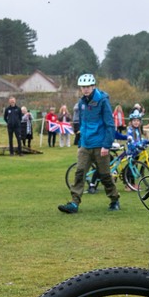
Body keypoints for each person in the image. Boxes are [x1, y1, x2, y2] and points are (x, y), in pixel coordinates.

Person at [59, 73, 121, 213]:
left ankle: (114, 199)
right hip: (85, 145)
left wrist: (106, 145)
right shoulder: (81, 103)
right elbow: (82, 123)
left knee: (105, 175)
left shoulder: (103, 101)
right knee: (80, 172)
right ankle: (74, 203)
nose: (85, 89)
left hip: (100, 145)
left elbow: (110, 125)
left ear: (93, 86)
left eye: (88, 87)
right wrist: (81, 142)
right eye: (83, 87)